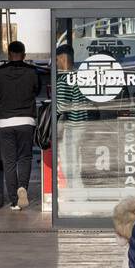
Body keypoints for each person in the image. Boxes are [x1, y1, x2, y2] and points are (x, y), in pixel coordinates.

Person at [0, 41, 40, 210]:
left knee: (9, 161)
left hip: (5, 122)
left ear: (9, 55)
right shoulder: (32, 72)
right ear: (24, 55)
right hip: (26, 121)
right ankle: (22, 187)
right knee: (24, 157)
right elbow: (36, 90)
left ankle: (14, 201)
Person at [54, 44, 92, 194]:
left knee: (70, 163)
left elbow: (62, 106)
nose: (56, 64)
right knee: (77, 161)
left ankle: (77, 196)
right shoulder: (79, 76)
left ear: (63, 58)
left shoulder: (65, 79)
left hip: (70, 126)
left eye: (57, 60)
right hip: (82, 124)